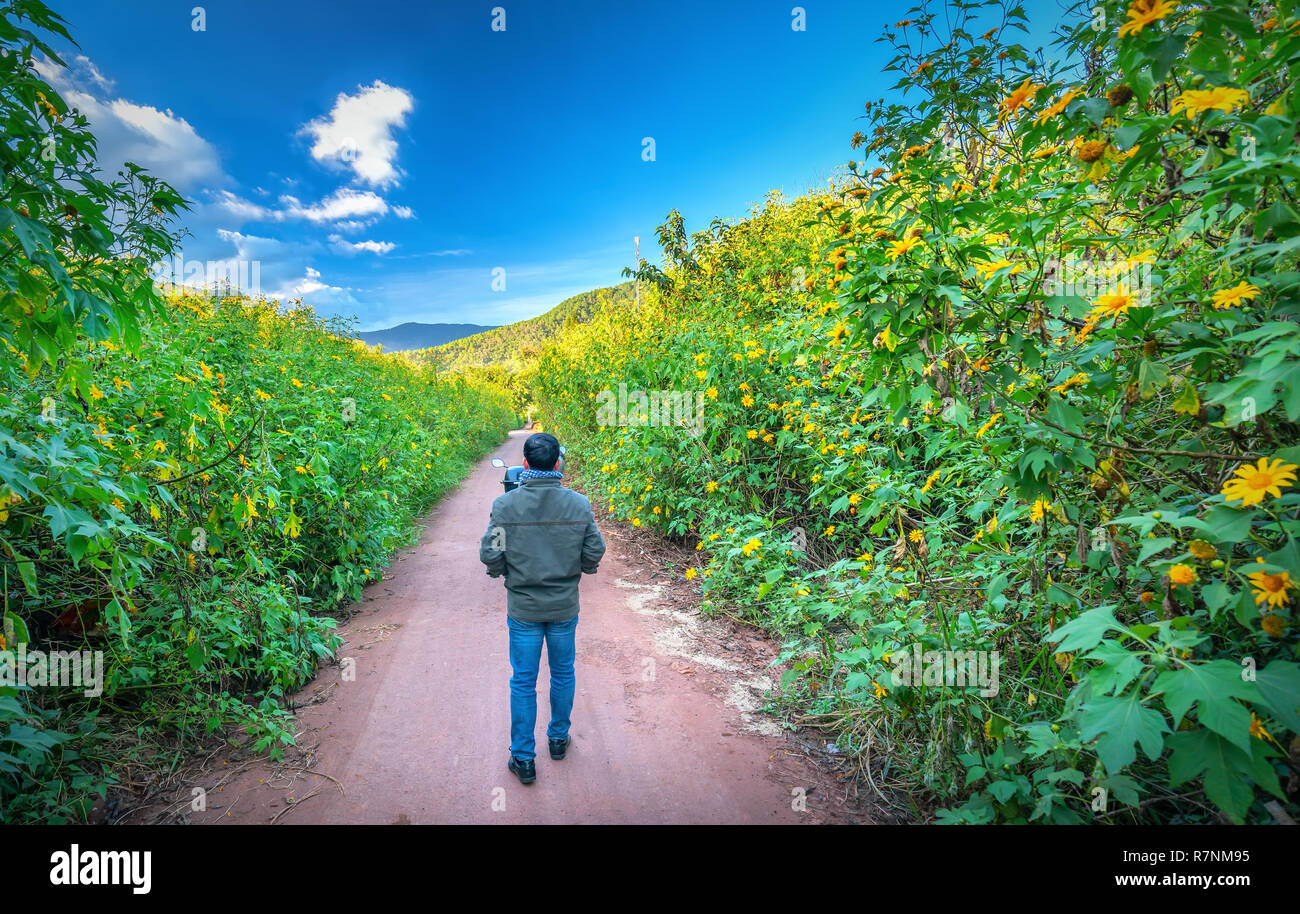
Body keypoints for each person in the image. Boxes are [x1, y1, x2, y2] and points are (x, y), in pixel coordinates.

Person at [479, 432, 606, 785]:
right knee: (563, 673)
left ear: (524, 465)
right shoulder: (578, 505)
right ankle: (557, 740)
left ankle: (523, 758)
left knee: (523, 680)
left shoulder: (505, 506)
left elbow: (492, 552)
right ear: (558, 464)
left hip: (523, 608)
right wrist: (582, 570)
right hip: (564, 606)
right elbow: (594, 549)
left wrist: (504, 573)